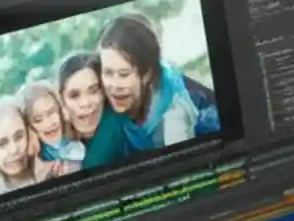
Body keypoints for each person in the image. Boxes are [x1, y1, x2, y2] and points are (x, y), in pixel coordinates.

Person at [97, 14, 220, 150]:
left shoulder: (173, 115)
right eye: (108, 73)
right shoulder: (100, 95)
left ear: (146, 74)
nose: (114, 85)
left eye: (124, 74)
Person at [56, 53, 150, 169]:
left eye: (94, 91)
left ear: (105, 92)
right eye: (74, 96)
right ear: (62, 101)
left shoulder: (117, 125)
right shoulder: (57, 142)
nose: (86, 103)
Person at [18, 82, 85, 181]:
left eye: (51, 113)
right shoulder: (36, 156)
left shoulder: (76, 135)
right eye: (38, 120)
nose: (49, 123)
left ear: (60, 110)